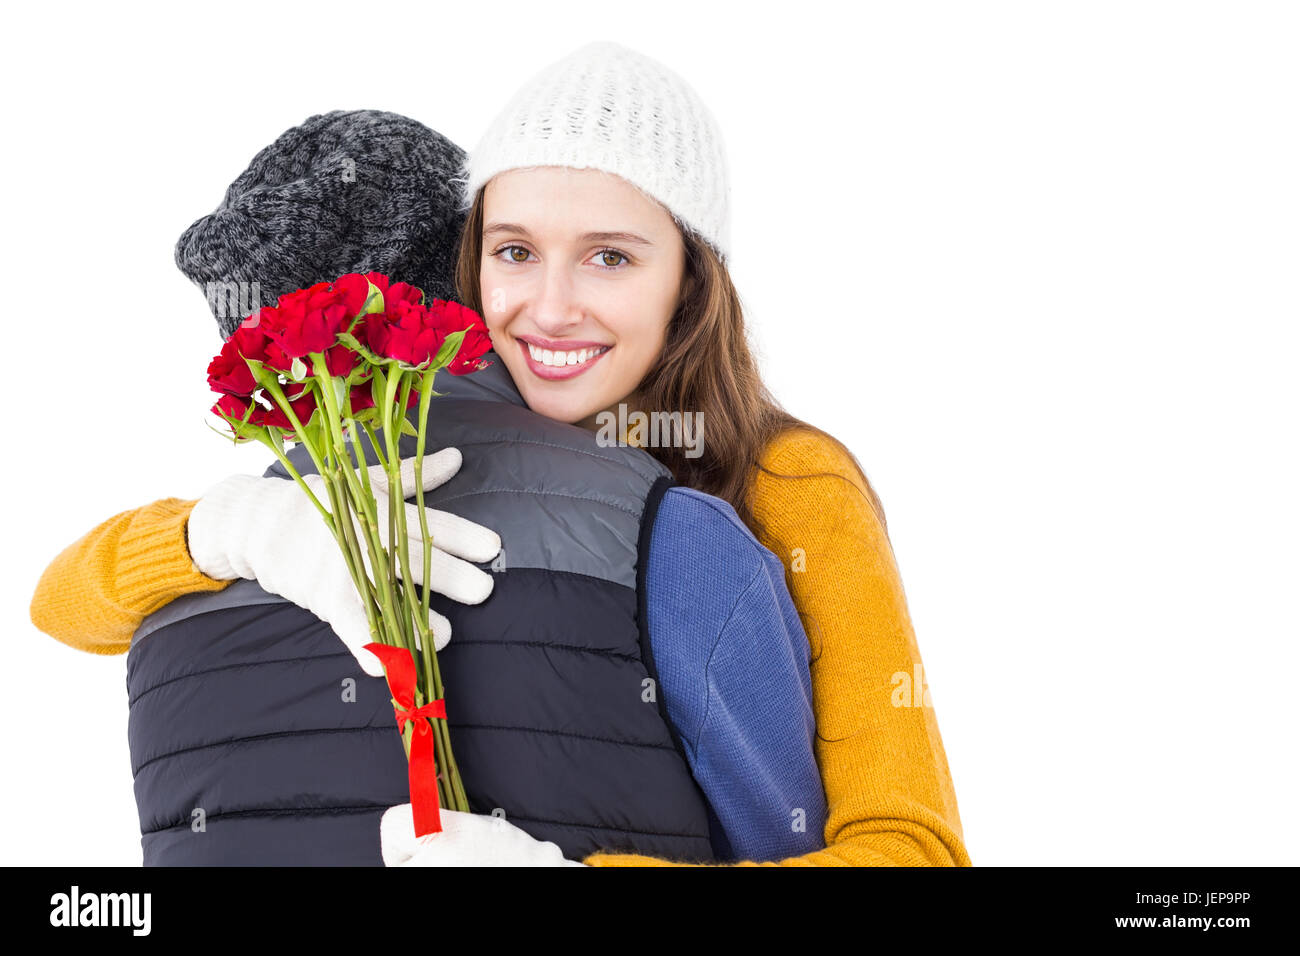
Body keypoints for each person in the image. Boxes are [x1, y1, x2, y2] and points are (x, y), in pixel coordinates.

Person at [36, 40, 974, 866]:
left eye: (611, 257)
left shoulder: (787, 483)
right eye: (515, 252)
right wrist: (223, 529)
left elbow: (915, 852)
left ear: (693, 280)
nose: (552, 308)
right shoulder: (425, 456)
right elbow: (60, 605)